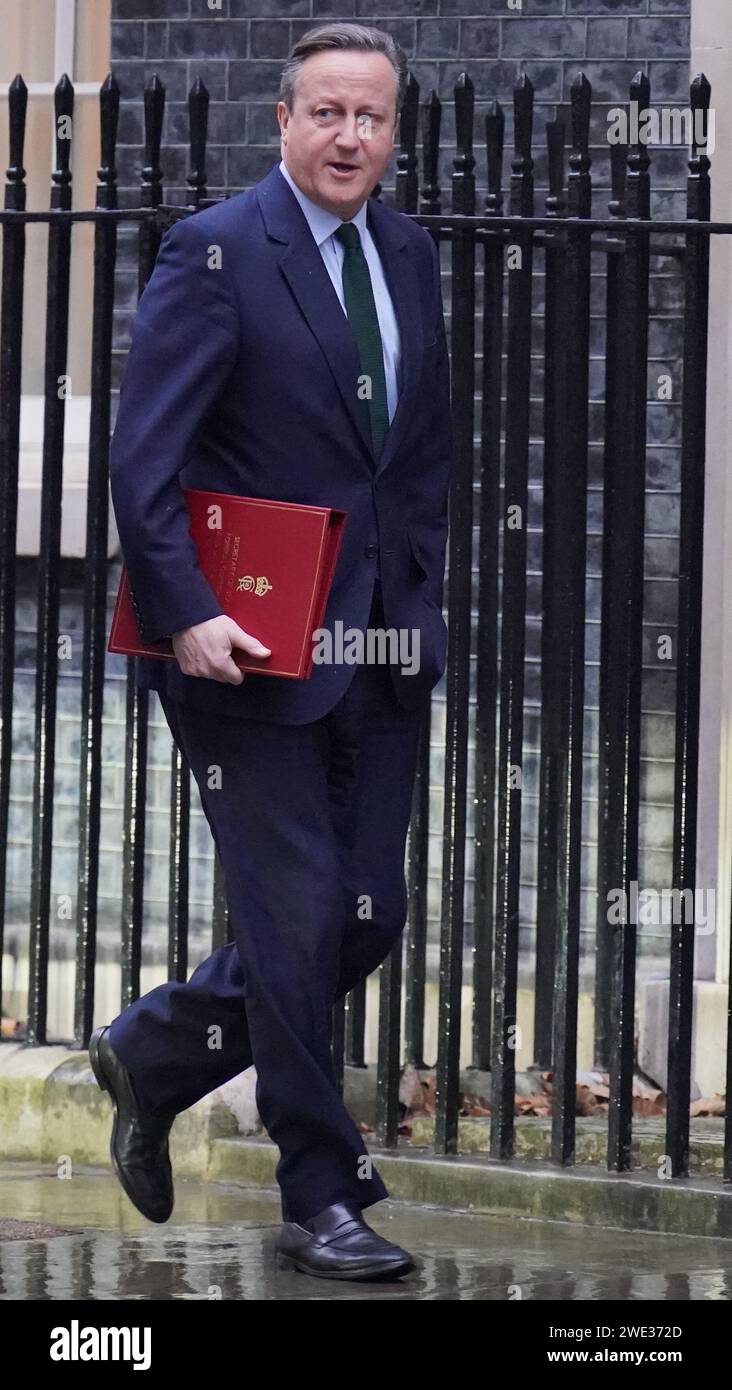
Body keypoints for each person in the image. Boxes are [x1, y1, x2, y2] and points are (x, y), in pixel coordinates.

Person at [90, 21, 452, 1283]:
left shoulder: (406, 253)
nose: (353, 136)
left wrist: (420, 593)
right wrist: (184, 606)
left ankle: (158, 1049)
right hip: (243, 650)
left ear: (394, 131)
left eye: (375, 117)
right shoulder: (217, 250)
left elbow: (411, 455)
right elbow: (144, 456)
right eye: (330, 113)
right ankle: (324, 1191)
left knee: (367, 911)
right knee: (297, 918)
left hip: (382, 643)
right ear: (285, 122)